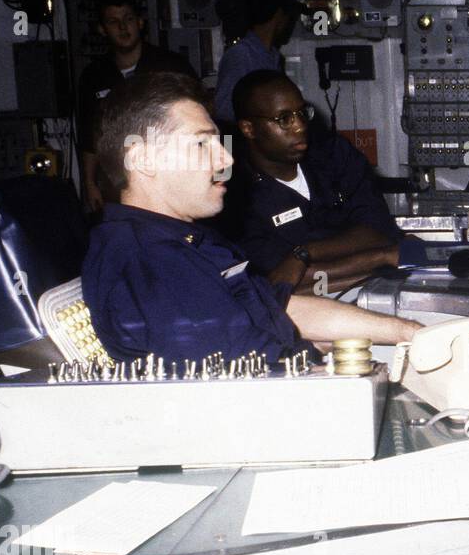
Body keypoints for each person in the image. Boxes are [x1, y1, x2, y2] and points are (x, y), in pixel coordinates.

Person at [82, 72, 420, 365]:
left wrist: (410, 332)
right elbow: (250, 382)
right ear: (143, 160)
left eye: (219, 142)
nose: (225, 157)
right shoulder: (152, 262)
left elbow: (278, 307)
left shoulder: (185, 240)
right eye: (202, 144)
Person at [232, 70, 407, 295]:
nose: (300, 127)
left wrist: (305, 253)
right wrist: (383, 258)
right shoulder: (235, 194)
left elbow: (379, 230)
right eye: (284, 119)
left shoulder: (334, 154)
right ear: (249, 129)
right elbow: (280, 281)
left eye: (302, 113)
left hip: (381, 289)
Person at [75, 0, 198, 214]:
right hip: (116, 183)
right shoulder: (94, 76)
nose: (123, 27)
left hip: (170, 175)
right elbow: (88, 136)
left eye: (128, 19)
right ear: (102, 29)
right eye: (113, 22)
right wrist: (90, 184)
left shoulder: (170, 66)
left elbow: (201, 119)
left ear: (140, 22)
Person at [213, 0, 299, 125]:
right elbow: (223, 113)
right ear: (279, 15)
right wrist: (231, 147)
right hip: (242, 144)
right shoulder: (240, 55)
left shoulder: (271, 57)